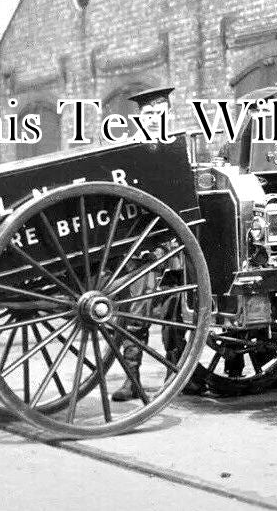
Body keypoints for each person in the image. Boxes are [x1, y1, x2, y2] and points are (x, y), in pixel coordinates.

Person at [114, 85, 194, 401]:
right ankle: (131, 380)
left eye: (159, 113)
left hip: (173, 243)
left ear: (167, 114)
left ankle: (175, 376)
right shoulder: (130, 152)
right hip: (140, 243)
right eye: (148, 114)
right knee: (135, 315)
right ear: (140, 118)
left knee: (175, 316)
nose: (154, 118)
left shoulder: (177, 148)